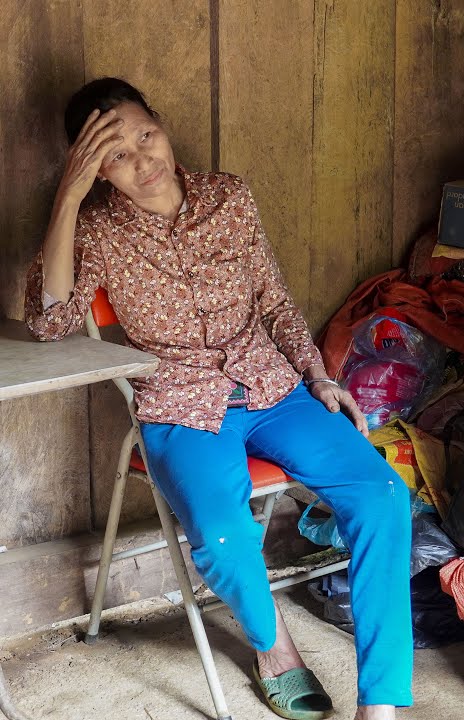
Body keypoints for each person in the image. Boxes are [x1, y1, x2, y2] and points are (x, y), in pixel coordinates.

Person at [25, 78, 412, 720]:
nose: (142, 160)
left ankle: (382, 706)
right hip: (181, 406)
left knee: (383, 496)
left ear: (161, 124)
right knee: (225, 534)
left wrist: (318, 376)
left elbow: (275, 302)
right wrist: (68, 195)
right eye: (114, 154)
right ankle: (276, 651)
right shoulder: (94, 231)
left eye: (144, 135)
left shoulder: (227, 197)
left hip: (273, 387)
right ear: (95, 169)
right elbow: (50, 323)